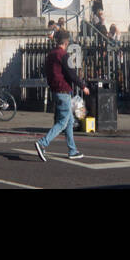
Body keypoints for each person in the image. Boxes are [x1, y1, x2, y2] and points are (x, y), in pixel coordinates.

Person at [35, 30, 90, 162]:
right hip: (64, 91)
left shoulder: (51, 55)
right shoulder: (63, 55)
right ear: (66, 42)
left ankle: (73, 150)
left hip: (55, 90)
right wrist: (83, 86)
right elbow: (71, 73)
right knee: (62, 122)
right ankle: (43, 143)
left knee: (70, 122)